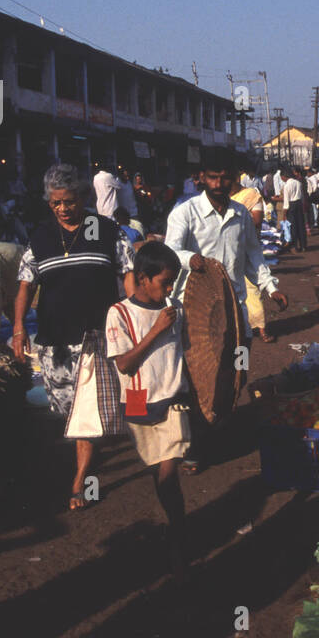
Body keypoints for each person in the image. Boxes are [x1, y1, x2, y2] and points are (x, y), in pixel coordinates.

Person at [13, 164, 137, 511]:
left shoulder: (107, 230)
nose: (64, 209)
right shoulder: (40, 237)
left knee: (86, 414)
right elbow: (25, 285)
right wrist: (19, 328)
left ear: (83, 198)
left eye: (69, 201)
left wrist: (133, 316)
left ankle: (83, 480)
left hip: (97, 336)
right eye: (56, 203)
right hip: (55, 342)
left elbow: (127, 274)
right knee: (68, 412)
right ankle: (87, 460)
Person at [165, 155, 288, 472]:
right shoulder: (186, 213)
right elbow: (169, 251)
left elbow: (253, 255)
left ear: (233, 179)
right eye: (212, 178)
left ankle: (219, 422)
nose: (218, 185)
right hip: (195, 314)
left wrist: (270, 287)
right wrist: (190, 259)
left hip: (235, 311)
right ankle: (194, 445)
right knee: (196, 377)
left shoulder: (241, 216)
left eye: (224, 178)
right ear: (201, 178)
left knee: (237, 368)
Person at [105, 241, 194, 577]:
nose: (169, 289)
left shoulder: (175, 311)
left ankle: (178, 535)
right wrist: (156, 331)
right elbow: (125, 364)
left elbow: (186, 351)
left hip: (173, 400)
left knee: (169, 470)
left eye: (172, 283)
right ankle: (176, 525)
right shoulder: (119, 314)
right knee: (159, 472)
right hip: (140, 401)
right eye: (164, 282)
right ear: (143, 278)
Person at [231, 174, 274, 343]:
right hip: (228, 249)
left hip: (247, 248)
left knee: (252, 289)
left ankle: (261, 328)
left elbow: (257, 220)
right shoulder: (221, 199)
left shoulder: (251, 195)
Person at [281, 167, 308, 253]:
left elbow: (286, 202)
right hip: (299, 204)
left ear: (284, 176)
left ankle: (294, 246)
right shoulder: (298, 183)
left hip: (291, 206)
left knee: (293, 227)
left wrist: (284, 214)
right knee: (301, 226)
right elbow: (302, 196)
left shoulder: (286, 186)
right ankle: (303, 246)